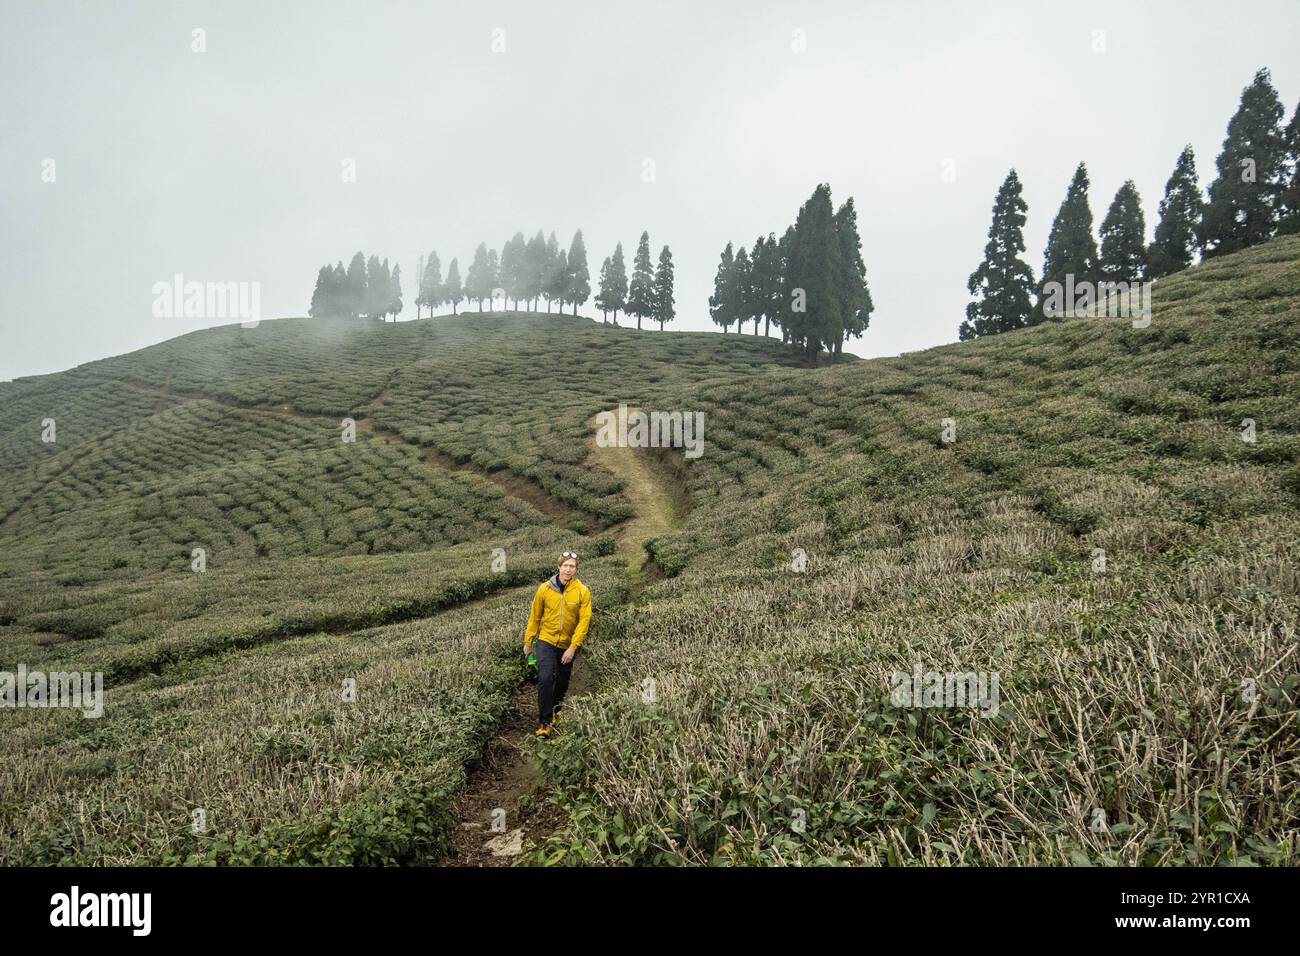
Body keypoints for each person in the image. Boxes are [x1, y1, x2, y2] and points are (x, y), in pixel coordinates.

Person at [523, 550, 592, 738]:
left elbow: (583, 622)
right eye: (565, 566)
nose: (568, 570)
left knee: (562, 682)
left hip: (568, 644)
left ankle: (555, 712)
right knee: (545, 678)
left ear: (576, 570)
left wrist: (573, 647)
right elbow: (535, 617)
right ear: (559, 567)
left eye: (572, 567)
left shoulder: (582, 592)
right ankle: (544, 722)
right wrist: (528, 642)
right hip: (546, 640)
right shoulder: (544, 589)